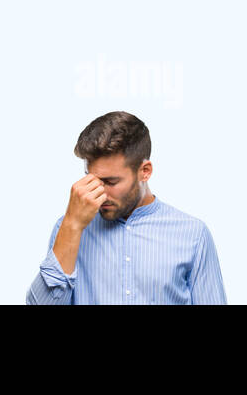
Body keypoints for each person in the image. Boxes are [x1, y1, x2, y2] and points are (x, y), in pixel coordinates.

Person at [26, 111, 226, 304]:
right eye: (91, 179)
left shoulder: (192, 234)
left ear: (145, 172)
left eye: (110, 182)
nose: (99, 192)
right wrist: (72, 225)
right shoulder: (69, 228)